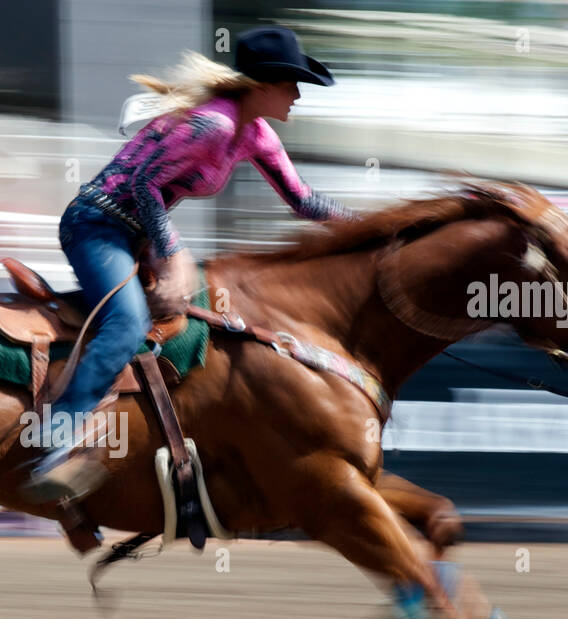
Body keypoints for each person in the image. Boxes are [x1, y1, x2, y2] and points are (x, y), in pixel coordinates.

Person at [24, 25, 357, 502]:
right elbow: (143, 184)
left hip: (134, 237)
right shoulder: (214, 124)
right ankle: (53, 443)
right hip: (96, 225)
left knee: (200, 321)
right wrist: (173, 251)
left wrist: (372, 228)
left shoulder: (255, 134)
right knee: (126, 323)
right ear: (262, 86)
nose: (299, 95)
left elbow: (302, 201)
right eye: (291, 84)